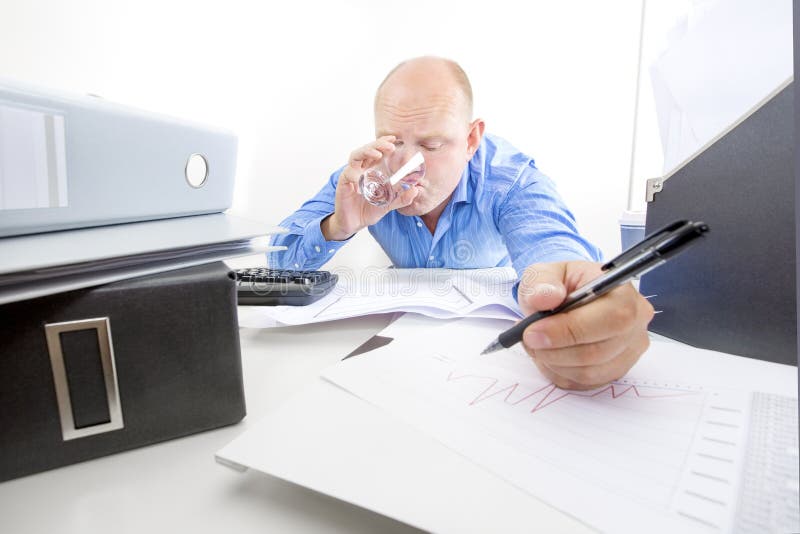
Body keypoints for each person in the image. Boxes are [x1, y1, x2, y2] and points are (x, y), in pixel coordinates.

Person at [272, 56, 654, 390]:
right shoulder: (363, 177)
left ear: (471, 139)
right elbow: (275, 264)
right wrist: (338, 225)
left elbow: (552, 247)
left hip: (480, 362)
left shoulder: (510, 179)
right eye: (392, 141)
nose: (406, 167)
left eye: (431, 146)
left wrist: (569, 289)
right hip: (393, 356)